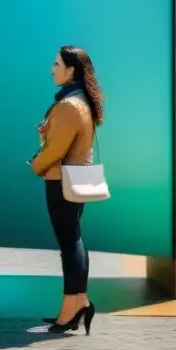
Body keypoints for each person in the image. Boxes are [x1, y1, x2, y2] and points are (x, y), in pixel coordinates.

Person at [30, 45, 103, 335]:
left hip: (61, 180)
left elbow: (57, 150)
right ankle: (77, 303)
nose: (52, 68)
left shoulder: (69, 105)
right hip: (75, 178)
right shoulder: (80, 101)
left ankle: (72, 308)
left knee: (69, 243)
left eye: (57, 63)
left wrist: (35, 164)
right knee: (74, 241)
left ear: (71, 70)